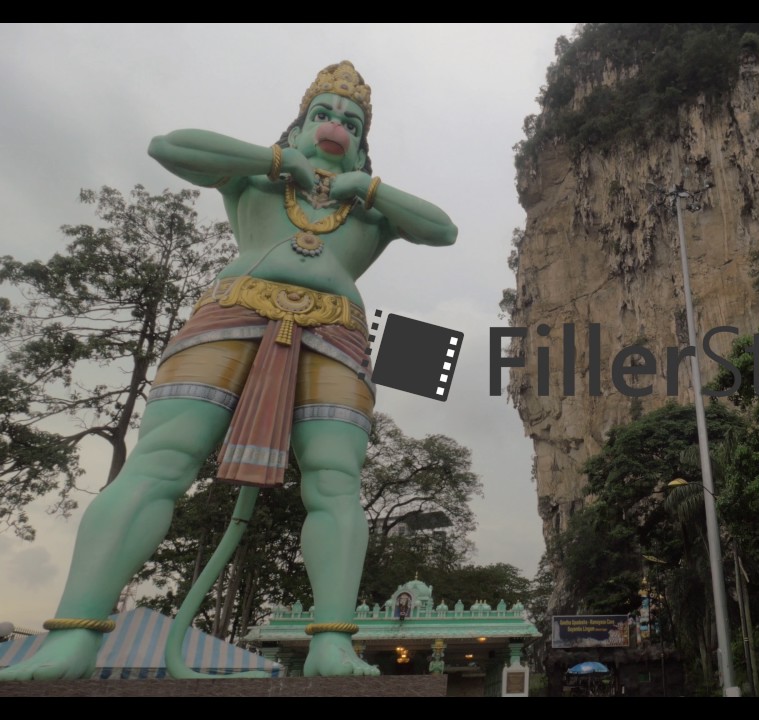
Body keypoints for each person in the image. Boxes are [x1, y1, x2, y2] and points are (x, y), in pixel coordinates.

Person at [0, 61, 456, 680]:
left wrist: (364, 189)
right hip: (233, 310)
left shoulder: (370, 213)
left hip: (336, 332)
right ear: (296, 129)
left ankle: (331, 641)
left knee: (334, 482)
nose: (335, 126)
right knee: (161, 462)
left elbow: (444, 230)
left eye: (351, 122)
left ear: (363, 146)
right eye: (321, 114)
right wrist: (278, 163)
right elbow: (169, 146)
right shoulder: (257, 179)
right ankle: (74, 636)